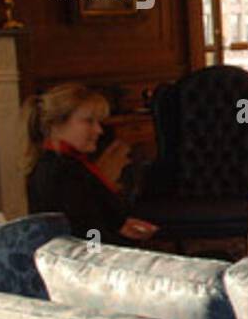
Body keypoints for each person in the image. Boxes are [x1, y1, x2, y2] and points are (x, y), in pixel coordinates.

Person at [23, 84, 158, 245]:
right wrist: (101, 256)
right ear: (56, 125)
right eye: (88, 121)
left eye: (98, 122)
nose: (98, 130)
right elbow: (88, 233)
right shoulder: (62, 171)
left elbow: (91, 222)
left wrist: (120, 225)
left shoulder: (68, 163)